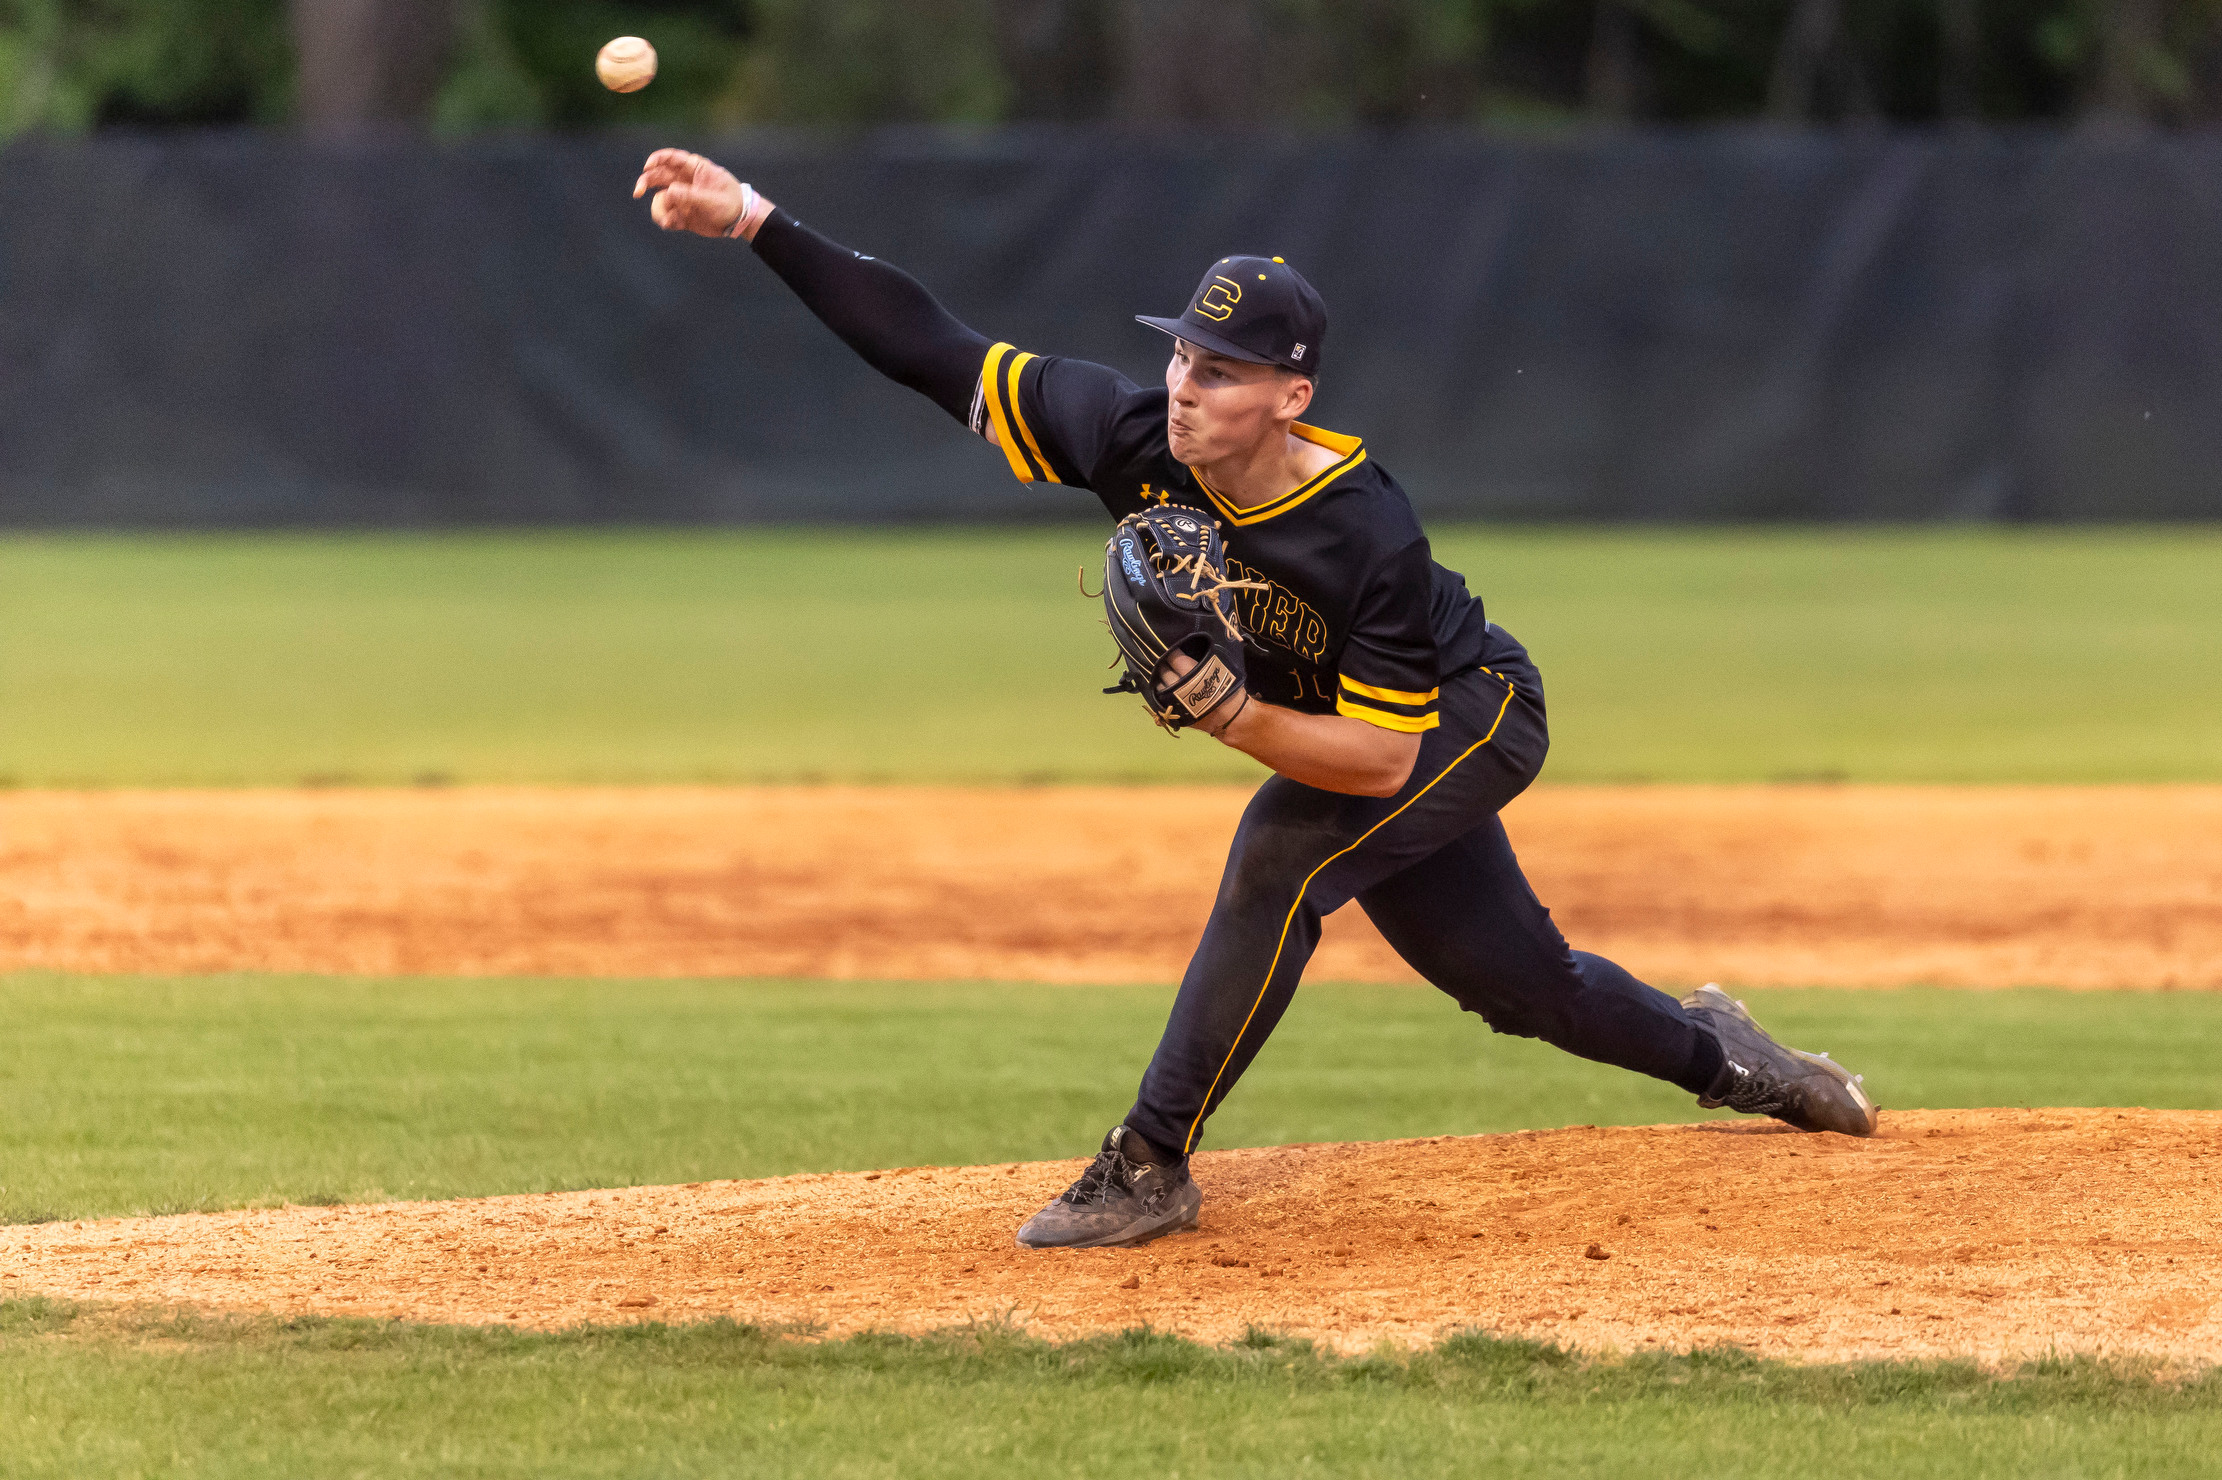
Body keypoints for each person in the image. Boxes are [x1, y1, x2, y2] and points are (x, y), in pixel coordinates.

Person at [631, 149, 1879, 1252]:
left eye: (1219, 370)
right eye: (1179, 350)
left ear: (1289, 396)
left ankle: (1149, 1160)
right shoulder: (1127, 435)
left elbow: (1378, 764)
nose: (1182, 384)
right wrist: (754, 218)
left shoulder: (1363, 530)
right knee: (1522, 984)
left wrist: (1232, 716)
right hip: (1358, 739)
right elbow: (929, 346)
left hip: (1466, 713)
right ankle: (1735, 1060)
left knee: (1278, 856)